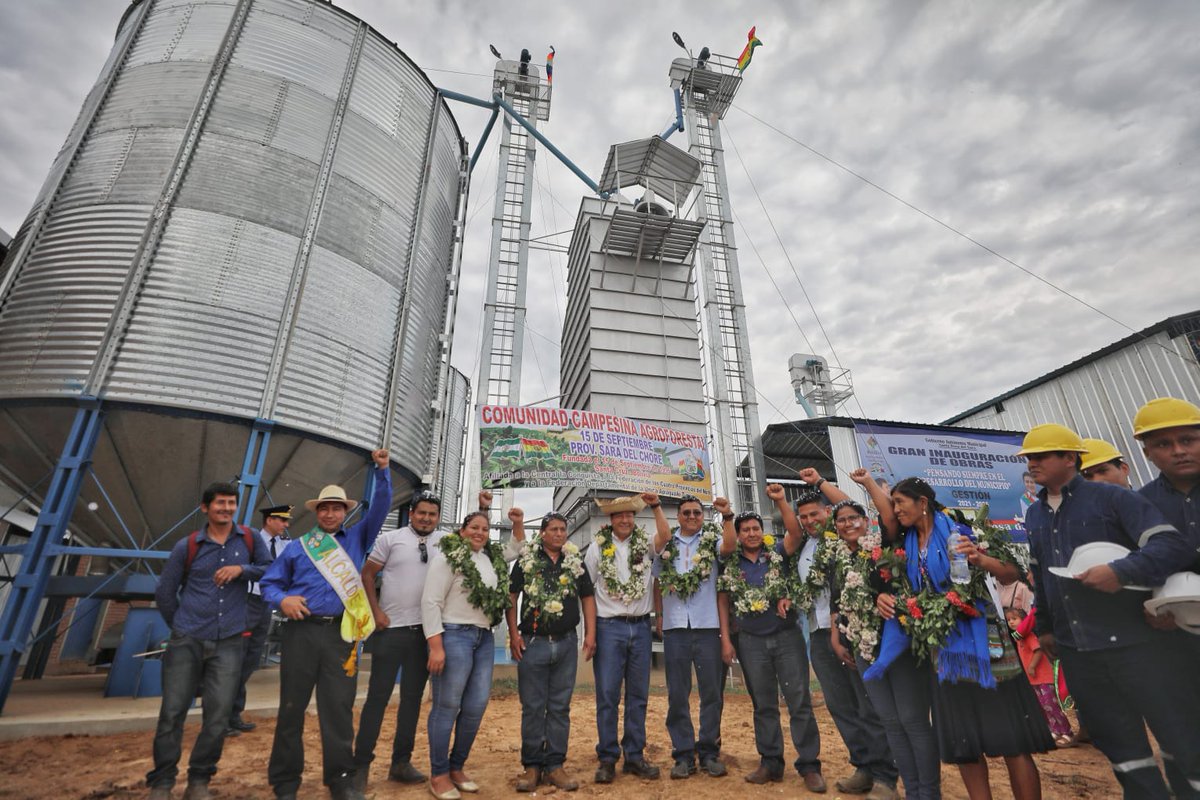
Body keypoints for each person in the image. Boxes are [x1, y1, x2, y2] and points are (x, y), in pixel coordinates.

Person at [1021, 422, 1200, 799]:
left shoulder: (1113, 500)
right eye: (1029, 458)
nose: (1032, 464)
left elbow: (1171, 546)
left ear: (1069, 458)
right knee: (1121, 748)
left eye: (1040, 456)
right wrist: (1047, 627)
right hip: (1079, 650)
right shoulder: (1035, 516)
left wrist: (1120, 572)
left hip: (1138, 644)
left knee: (1179, 738)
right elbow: (1040, 573)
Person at [862, 472, 1054, 800]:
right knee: (963, 741)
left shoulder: (962, 529)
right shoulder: (903, 545)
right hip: (945, 653)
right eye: (892, 503)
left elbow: (1011, 572)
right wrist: (886, 597)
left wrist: (980, 558)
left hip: (986, 649)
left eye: (900, 502)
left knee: (1011, 740)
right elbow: (896, 579)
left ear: (923, 503)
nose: (895, 510)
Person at [260, 449, 393, 800]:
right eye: (324, 508)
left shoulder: (359, 539)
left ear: (345, 513)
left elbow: (381, 505)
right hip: (300, 633)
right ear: (316, 512)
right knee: (292, 707)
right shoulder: (297, 548)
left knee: (337, 710)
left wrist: (383, 471)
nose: (330, 513)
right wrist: (282, 600)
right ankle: (285, 782)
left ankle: (341, 780)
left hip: (340, 635)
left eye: (336, 508)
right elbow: (270, 584)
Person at [352, 489, 494, 790]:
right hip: (392, 630)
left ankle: (400, 763)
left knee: (413, 702)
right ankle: (361, 766)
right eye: (421, 513)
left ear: (438, 518)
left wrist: (483, 506)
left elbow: (476, 534)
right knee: (377, 699)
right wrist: (375, 612)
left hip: (427, 633)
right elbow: (367, 574)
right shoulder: (391, 539)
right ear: (411, 513)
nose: (426, 518)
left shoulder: (446, 541)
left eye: (432, 514)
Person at [147, 482, 271, 800]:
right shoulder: (186, 546)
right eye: (219, 503)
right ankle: (162, 782)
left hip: (229, 641)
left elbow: (270, 569)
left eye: (231, 503)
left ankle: (199, 781)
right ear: (205, 508)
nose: (226, 508)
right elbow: (165, 592)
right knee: (172, 713)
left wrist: (241, 569)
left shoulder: (249, 540)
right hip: (187, 638)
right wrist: (180, 627)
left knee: (217, 717)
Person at [794, 469, 895, 796]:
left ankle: (885, 775)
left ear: (829, 514)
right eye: (804, 517)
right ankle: (863, 766)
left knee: (869, 704)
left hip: (856, 631)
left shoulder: (842, 537)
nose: (810, 521)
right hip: (820, 634)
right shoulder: (801, 548)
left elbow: (851, 505)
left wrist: (820, 483)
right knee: (841, 706)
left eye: (816, 514)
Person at [716, 484, 817, 787]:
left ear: (762, 531)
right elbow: (722, 601)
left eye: (755, 528)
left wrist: (781, 501)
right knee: (763, 704)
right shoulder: (729, 563)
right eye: (744, 529)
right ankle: (770, 762)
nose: (751, 533)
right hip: (750, 641)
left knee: (799, 700)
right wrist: (725, 638)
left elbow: (796, 534)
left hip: (787, 637)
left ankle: (810, 766)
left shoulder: (777, 554)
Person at [422, 507, 522, 800]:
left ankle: (457, 767)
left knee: (476, 706)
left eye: (484, 529)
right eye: (474, 528)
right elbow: (430, 602)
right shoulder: (447, 558)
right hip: (454, 635)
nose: (479, 533)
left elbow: (516, 547)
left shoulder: (489, 558)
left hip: (484, 637)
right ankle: (438, 773)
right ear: (462, 531)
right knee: (447, 705)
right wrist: (436, 645)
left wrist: (517, 522)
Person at [648, 492, 736, 779]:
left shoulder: (713, 540)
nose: (691, 517)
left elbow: (730, 547)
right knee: (677, 693)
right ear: (678, 516)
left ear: (703, 515)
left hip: (708, 626)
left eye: (696, 513)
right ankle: (683, 754)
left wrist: (727, 516)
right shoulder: (666, 542)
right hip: (675, 628)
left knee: (711, 692)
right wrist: (659, 616)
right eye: (686, 513)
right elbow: (658, 580)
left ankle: (709, 751)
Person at [507, 511, 597, 792]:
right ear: (543, 533)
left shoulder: (575, 560)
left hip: (567, 642)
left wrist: (591, 633)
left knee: (559, 707)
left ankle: (556, 765)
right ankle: (532, 767)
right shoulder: (527, 558)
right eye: (554, 529)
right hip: (532, 643)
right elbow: (511, 597)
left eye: (562, 529)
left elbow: (587, 597)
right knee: (533, 707)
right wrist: (513, 635)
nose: (559, 534)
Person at [825, 499, 901, 800]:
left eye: (852, 518)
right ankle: (868, 770)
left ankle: (887, 779)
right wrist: (835, 636)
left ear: (865, 521)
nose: (847, 524)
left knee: (882, 711)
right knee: (863, 708)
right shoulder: (839, 557)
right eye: (841, 520)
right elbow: (836, 601)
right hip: (853, 641)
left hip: (886, 642)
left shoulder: (880, 551)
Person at [584, 495, 662, 784]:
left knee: (638, 695)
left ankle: (634, 755)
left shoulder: (646, 545)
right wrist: (590, 633)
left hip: (641, 627)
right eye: (619, 516)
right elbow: (586, 590)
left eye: (629, 515)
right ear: (611, 520)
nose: (625, 520)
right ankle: (606, 758)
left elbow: (665, 536)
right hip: (609, 627)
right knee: (607, 695)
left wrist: (656, 507)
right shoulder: (597, 548)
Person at [227, 503, 292, 737]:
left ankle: (234, 714)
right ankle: (221, 716)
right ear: (269, 520)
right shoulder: (250, 541)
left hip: (266, 604)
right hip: (246, 601)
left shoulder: (286, 545)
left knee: (251, 659)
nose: (286, 525)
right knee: (235, 658)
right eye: (282, 520)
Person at [1007, 607, 1073, 747]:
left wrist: (1031, 666)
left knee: (1051, 705)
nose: (1011, 622)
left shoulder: (1029, 636)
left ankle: (1066, 732)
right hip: (1035, 680)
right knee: (1044, 706)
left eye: (1014, 619)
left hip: (1043, 677)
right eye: (1008, 620)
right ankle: (1055, 730)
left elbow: (1038, 651)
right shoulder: (1020, 638)